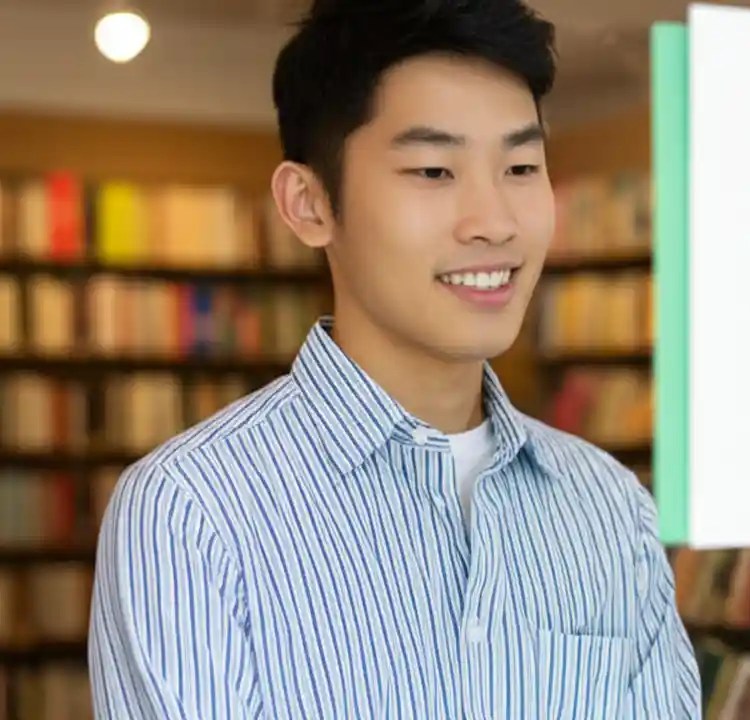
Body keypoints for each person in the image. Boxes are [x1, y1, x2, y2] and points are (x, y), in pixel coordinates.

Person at [86, 0, 701, 716]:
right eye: (435, 171)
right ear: (310, 203)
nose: (494, 222)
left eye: (522, 166)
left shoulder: (609, 506)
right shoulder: (191, 511)